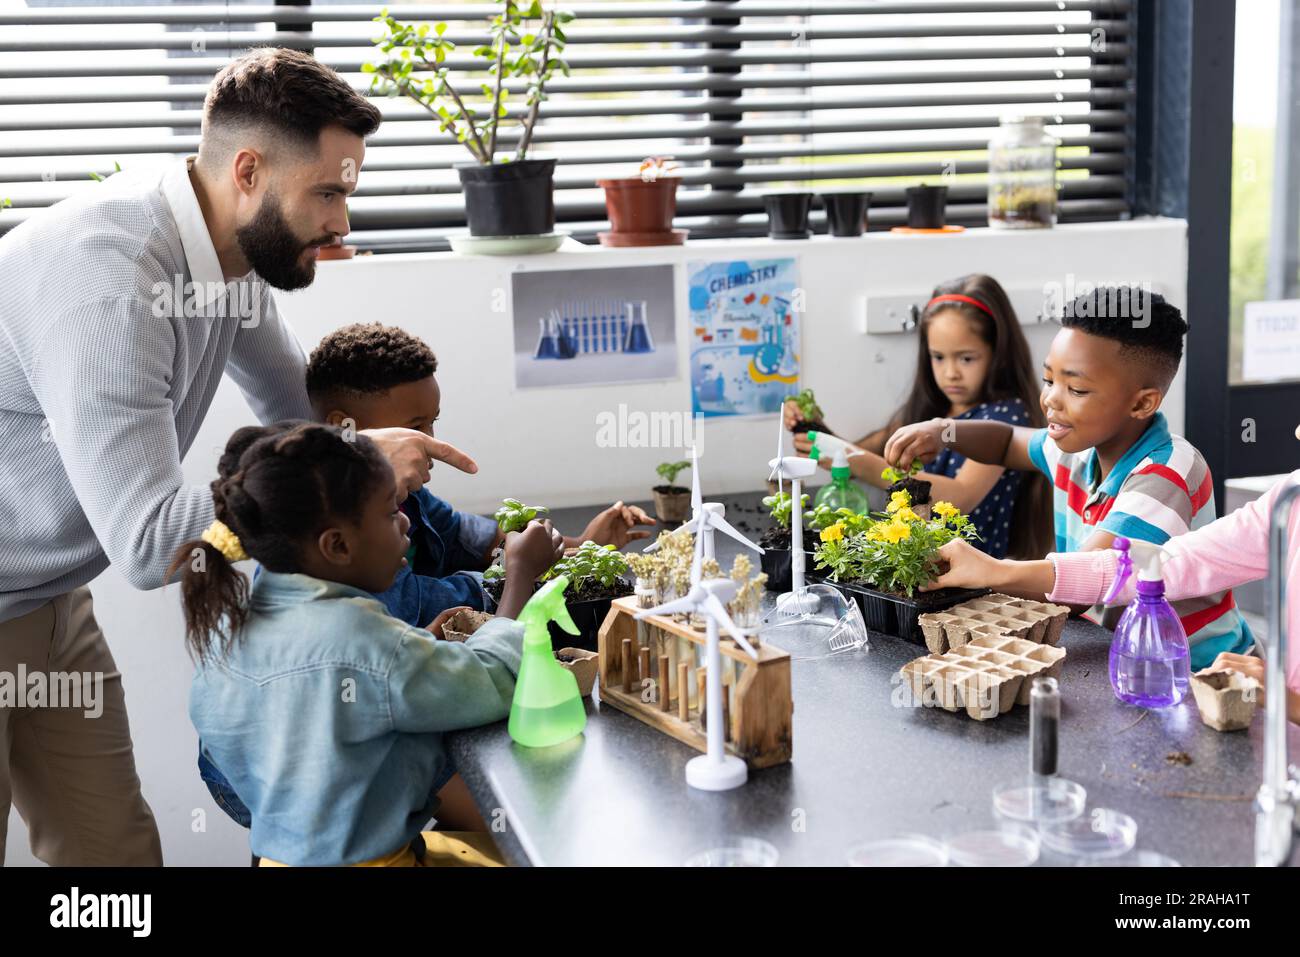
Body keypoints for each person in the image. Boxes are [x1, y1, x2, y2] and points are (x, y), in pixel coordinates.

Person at [0, 47, 449, 865]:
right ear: (249, 170)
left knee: (113, 861)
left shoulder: (225, 258)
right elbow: (146, 542)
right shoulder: (113, 279)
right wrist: (364, 457)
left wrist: (378, 460)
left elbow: (295, 413)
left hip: (47, 599)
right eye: (329, 192)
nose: (343, 221)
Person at [885, 286, 1253, 669]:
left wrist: (991, 570)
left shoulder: (1168, 473)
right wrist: (944, 431)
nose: (1051, 400)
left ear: (1142, 402)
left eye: (1076, 388)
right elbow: (1008, 441)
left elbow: (1090, 582)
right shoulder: (1074, 445)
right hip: (1112, 650)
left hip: (1194, 670)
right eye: (1049, 380)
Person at [786, 274, 1051, 558]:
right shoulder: (931, 411)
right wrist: (817, 432)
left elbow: (961, 496)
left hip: (975, 574)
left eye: (966, 358)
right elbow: (864, 453)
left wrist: (854, 460)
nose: (951, 373)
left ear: (997, 353)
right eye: (939, 357)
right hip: (919, 565)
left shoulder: (1006, 417)